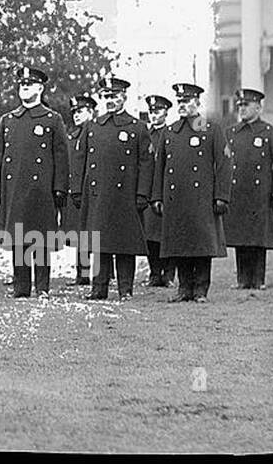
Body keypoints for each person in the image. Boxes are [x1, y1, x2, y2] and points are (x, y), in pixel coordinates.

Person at [0, 65, 70, 298]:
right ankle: (21, 286)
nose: (24, 88)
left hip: (42, 190)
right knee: (19, 239)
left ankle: (42, 287)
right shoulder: (9, 120)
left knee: (41, 240)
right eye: (22, 85)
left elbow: (61, 156)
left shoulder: (52, 119)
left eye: (30, 85)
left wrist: (60, 187)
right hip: (14, 189)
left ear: (40, 88)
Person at [71, 73, 151, 300]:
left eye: (114, 96)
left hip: (126, 195)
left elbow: (146, 164)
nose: (109, 100)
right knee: (99, 245)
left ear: (124, 97)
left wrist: (142, 193)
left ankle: (125, 290)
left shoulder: (137, 128)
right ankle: (99, 289)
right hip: (98, 195)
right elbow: (80, 160)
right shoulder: (92, 127)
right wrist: (77, 190)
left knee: (125, 245)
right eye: (105, 96)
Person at [150, 82, 231, 303]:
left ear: (197, 102)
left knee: (201, 246)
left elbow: (224, 163)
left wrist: (221, 196)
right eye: (180, 102)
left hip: (202, 199)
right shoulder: (170, 131)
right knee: (180, 244)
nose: (182, 105)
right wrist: (156, 197)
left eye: (186, 101)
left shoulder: (210, 129)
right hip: (176, 200)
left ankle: (201, 290)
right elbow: (160, 168)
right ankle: (184, 288)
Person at [224, 87, 273, 290]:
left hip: (261, 196)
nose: (242, 109)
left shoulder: (270, 133)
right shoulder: (231, 133)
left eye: (246, 105)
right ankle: (242, 280)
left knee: (258, 240)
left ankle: (258, 280)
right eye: (240, 106)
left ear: (259, 107)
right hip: (237, 195)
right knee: (240, 238)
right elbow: (223, 164)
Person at [142, 94, 177, 287]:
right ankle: (154, 273)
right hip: (148, 190)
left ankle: (169, 274)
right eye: (151, 112)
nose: (154, 115)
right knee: (149, 235)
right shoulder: (145, 134)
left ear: (166, 113)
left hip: (166, 189)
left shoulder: (171, 133)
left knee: (167, 234)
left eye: (158, 111)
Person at [67, 93, 96, 285]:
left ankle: (104, 274)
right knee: (80, 234)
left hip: (93, 189)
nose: (76, 115)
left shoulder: (96, 132)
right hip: (76, 190)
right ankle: (82, 274)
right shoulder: (72, 135)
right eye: (74, 112)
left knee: (98, 233)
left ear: (91, 112)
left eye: (81, 111)